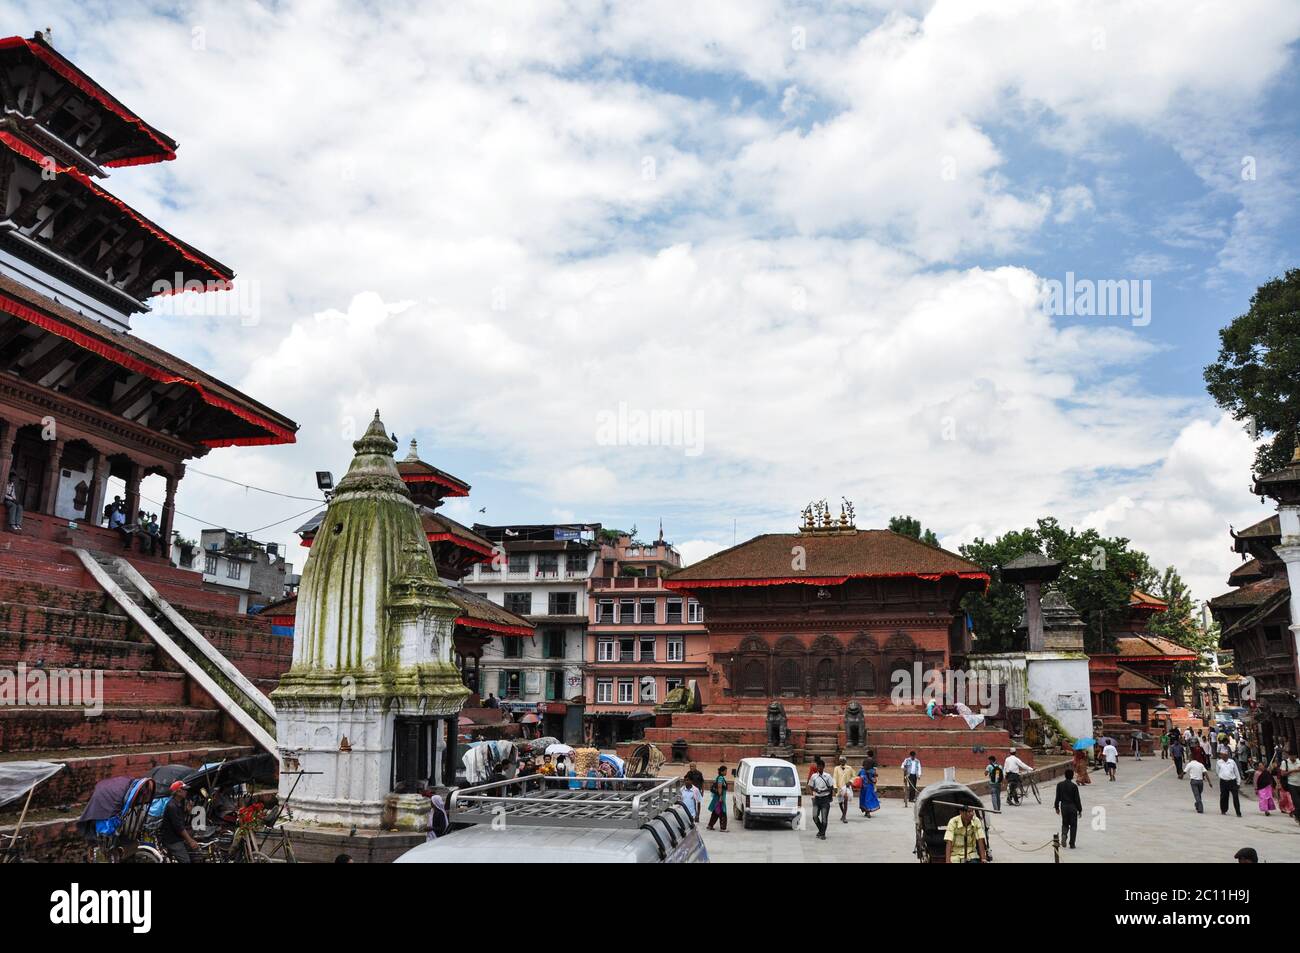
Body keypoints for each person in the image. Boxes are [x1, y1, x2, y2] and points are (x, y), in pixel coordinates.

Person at [160, 781, 202, 863]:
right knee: (186, 861)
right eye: (184, 790)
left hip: (178, 836)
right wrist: (190, 841)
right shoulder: (172, 806)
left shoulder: (179, 804)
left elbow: (181, 820)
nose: (186, 791)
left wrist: (188, 812)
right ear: (178, 792)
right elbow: (179, 827)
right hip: (173, 839)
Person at [1054, 767, 1083, 849]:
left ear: (1065, 776)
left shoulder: (1059, 785)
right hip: (1073, 807)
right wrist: (1080, 810)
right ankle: (1072, 843)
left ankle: (1064, 835)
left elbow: (1057, 797)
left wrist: (1056, 807)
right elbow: (1077, 799)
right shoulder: (1074, 786)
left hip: (1064, 807)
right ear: (1072, 776)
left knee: (1065, 823)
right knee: (1073, 826)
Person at [808, 757, 835, 840]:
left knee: (824, 818)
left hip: (825, 799)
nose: (819, 768)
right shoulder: (814, 776)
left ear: (823, 767)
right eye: (818, 767)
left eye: (820, 767)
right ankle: (821, 830)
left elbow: (831, 787)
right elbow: (811, 786)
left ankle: (822, 834)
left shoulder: (827, 776)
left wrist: (823, 791)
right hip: (817, 799)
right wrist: (815, 790)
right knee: (815, 816)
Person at [1215, 748, 1243, 817]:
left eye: (1224, 755)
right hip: (1223, 782)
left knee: (1235, 797)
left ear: (1227, 755)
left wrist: (1238, 782)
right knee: (1224, 796)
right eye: (1222, 755)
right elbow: (1217, 772)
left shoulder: (1232, 762)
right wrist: (1222, 776)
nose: (1223, 756)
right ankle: (1223, 809)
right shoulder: (1219, 762)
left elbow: (1236, 772)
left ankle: (1238, 812)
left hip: (1232, 781)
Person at [832, 756, 855, 823]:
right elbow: (834, 778)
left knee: (845, 798)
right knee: (840, 802)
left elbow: (854, 776)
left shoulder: (849, 768)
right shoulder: (836, 768)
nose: (841, 761)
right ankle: (843, 813)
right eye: (840, 760)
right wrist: (835, 786)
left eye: (843, 760)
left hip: (846, 787)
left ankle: (844, 816)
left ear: (845, 761)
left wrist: (850, 781)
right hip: (839, 787)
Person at [1281, 748, 1300, 826]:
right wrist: (1294, 770)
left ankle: (1295, 813)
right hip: (1291, 784)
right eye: (1292, 756)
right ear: (1289, 756)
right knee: (1297, 802)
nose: (1293, 758)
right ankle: (1298, 817)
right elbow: (1282, 773)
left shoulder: (1299, 761)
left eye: (1295, 756)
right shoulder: (1285, 762)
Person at [706, 765, 728, 831]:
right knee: (722, 812)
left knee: (716, 811)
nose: (726, 772)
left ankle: (710, 825)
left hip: (718, 797)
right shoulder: (720, 778)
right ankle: (723, 828)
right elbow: (719, 787)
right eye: (725, 771)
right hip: (719, 797)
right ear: (722, 771)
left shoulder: (720, 777)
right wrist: (720, 796)